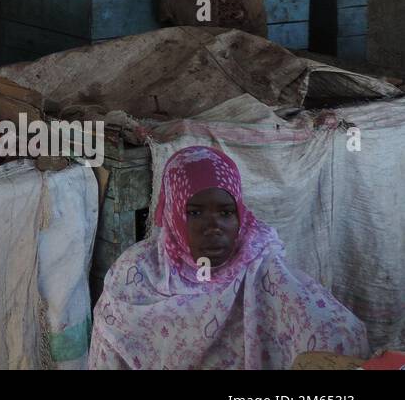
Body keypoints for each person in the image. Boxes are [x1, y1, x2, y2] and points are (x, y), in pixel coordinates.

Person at [89, 146, 367, 370]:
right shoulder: (136, 272)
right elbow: (107, 356)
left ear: (240, 215)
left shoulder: (258, 264)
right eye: (195, 212)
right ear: (173, 213)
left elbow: (327, 323)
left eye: (226, 212)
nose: (214, 227)